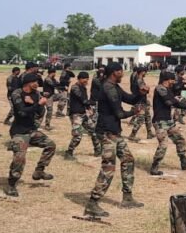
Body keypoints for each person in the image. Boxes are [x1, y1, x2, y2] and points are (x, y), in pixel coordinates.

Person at [85, 63, 146, 217]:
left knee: (128, 160)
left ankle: (127, 198)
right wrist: (134, 112)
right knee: (108, 167)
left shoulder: (115, 87)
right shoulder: (108, 88)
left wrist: (141, 93)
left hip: (115, 132)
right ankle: (92, 203)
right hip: (106, 133)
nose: (123, 74)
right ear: (115, 72)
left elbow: (130, 99)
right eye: (121, 71)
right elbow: (119, 113)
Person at [4, 73, 57, 197]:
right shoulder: (17, 93)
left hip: (31, 130)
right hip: (19, 131)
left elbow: (39, 113)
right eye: (36, 82)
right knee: (20, 159)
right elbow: (22, 112)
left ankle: (39, 171)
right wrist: (36, 104)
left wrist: (35, 104)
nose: (38, 84)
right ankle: (12, 184)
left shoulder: (36, 94)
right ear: (29, 83)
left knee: (50, 145)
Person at [150, 70, 186, 175]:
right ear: (167, 80)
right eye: (172, 79)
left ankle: (183, 161)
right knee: (163, 145)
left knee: (180, 140)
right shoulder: (160, 88)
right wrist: (182, 104)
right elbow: (169, 102)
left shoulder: (168, 89)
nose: (173, 82)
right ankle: (154, 167)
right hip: (160, 121)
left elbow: (174, 101)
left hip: (168, 121)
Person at [64, 71, 101, 159]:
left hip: (83, 114)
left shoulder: (83, 87)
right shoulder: (75, 87)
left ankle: (98, 151)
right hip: (76, 115)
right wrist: (93, 103)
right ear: (80, 78)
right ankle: (69, 152)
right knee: (77, 135)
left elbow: (85, 101)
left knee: (94, 131)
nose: (86, 80)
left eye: (87, 79)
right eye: (85, 79)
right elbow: (83, 99)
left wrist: (89, 108)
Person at [128, 66, 154, 141]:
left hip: (143, 101)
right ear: (142, 72)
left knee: (147, 117)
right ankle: (132, 135)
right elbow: (143, 90)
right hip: (140, 102)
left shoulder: (139, 79)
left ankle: (150, 133)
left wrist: (146, 88)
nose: (146, 73)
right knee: (140, 119)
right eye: (145, 72)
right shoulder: (139, 80)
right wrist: (147, 88)